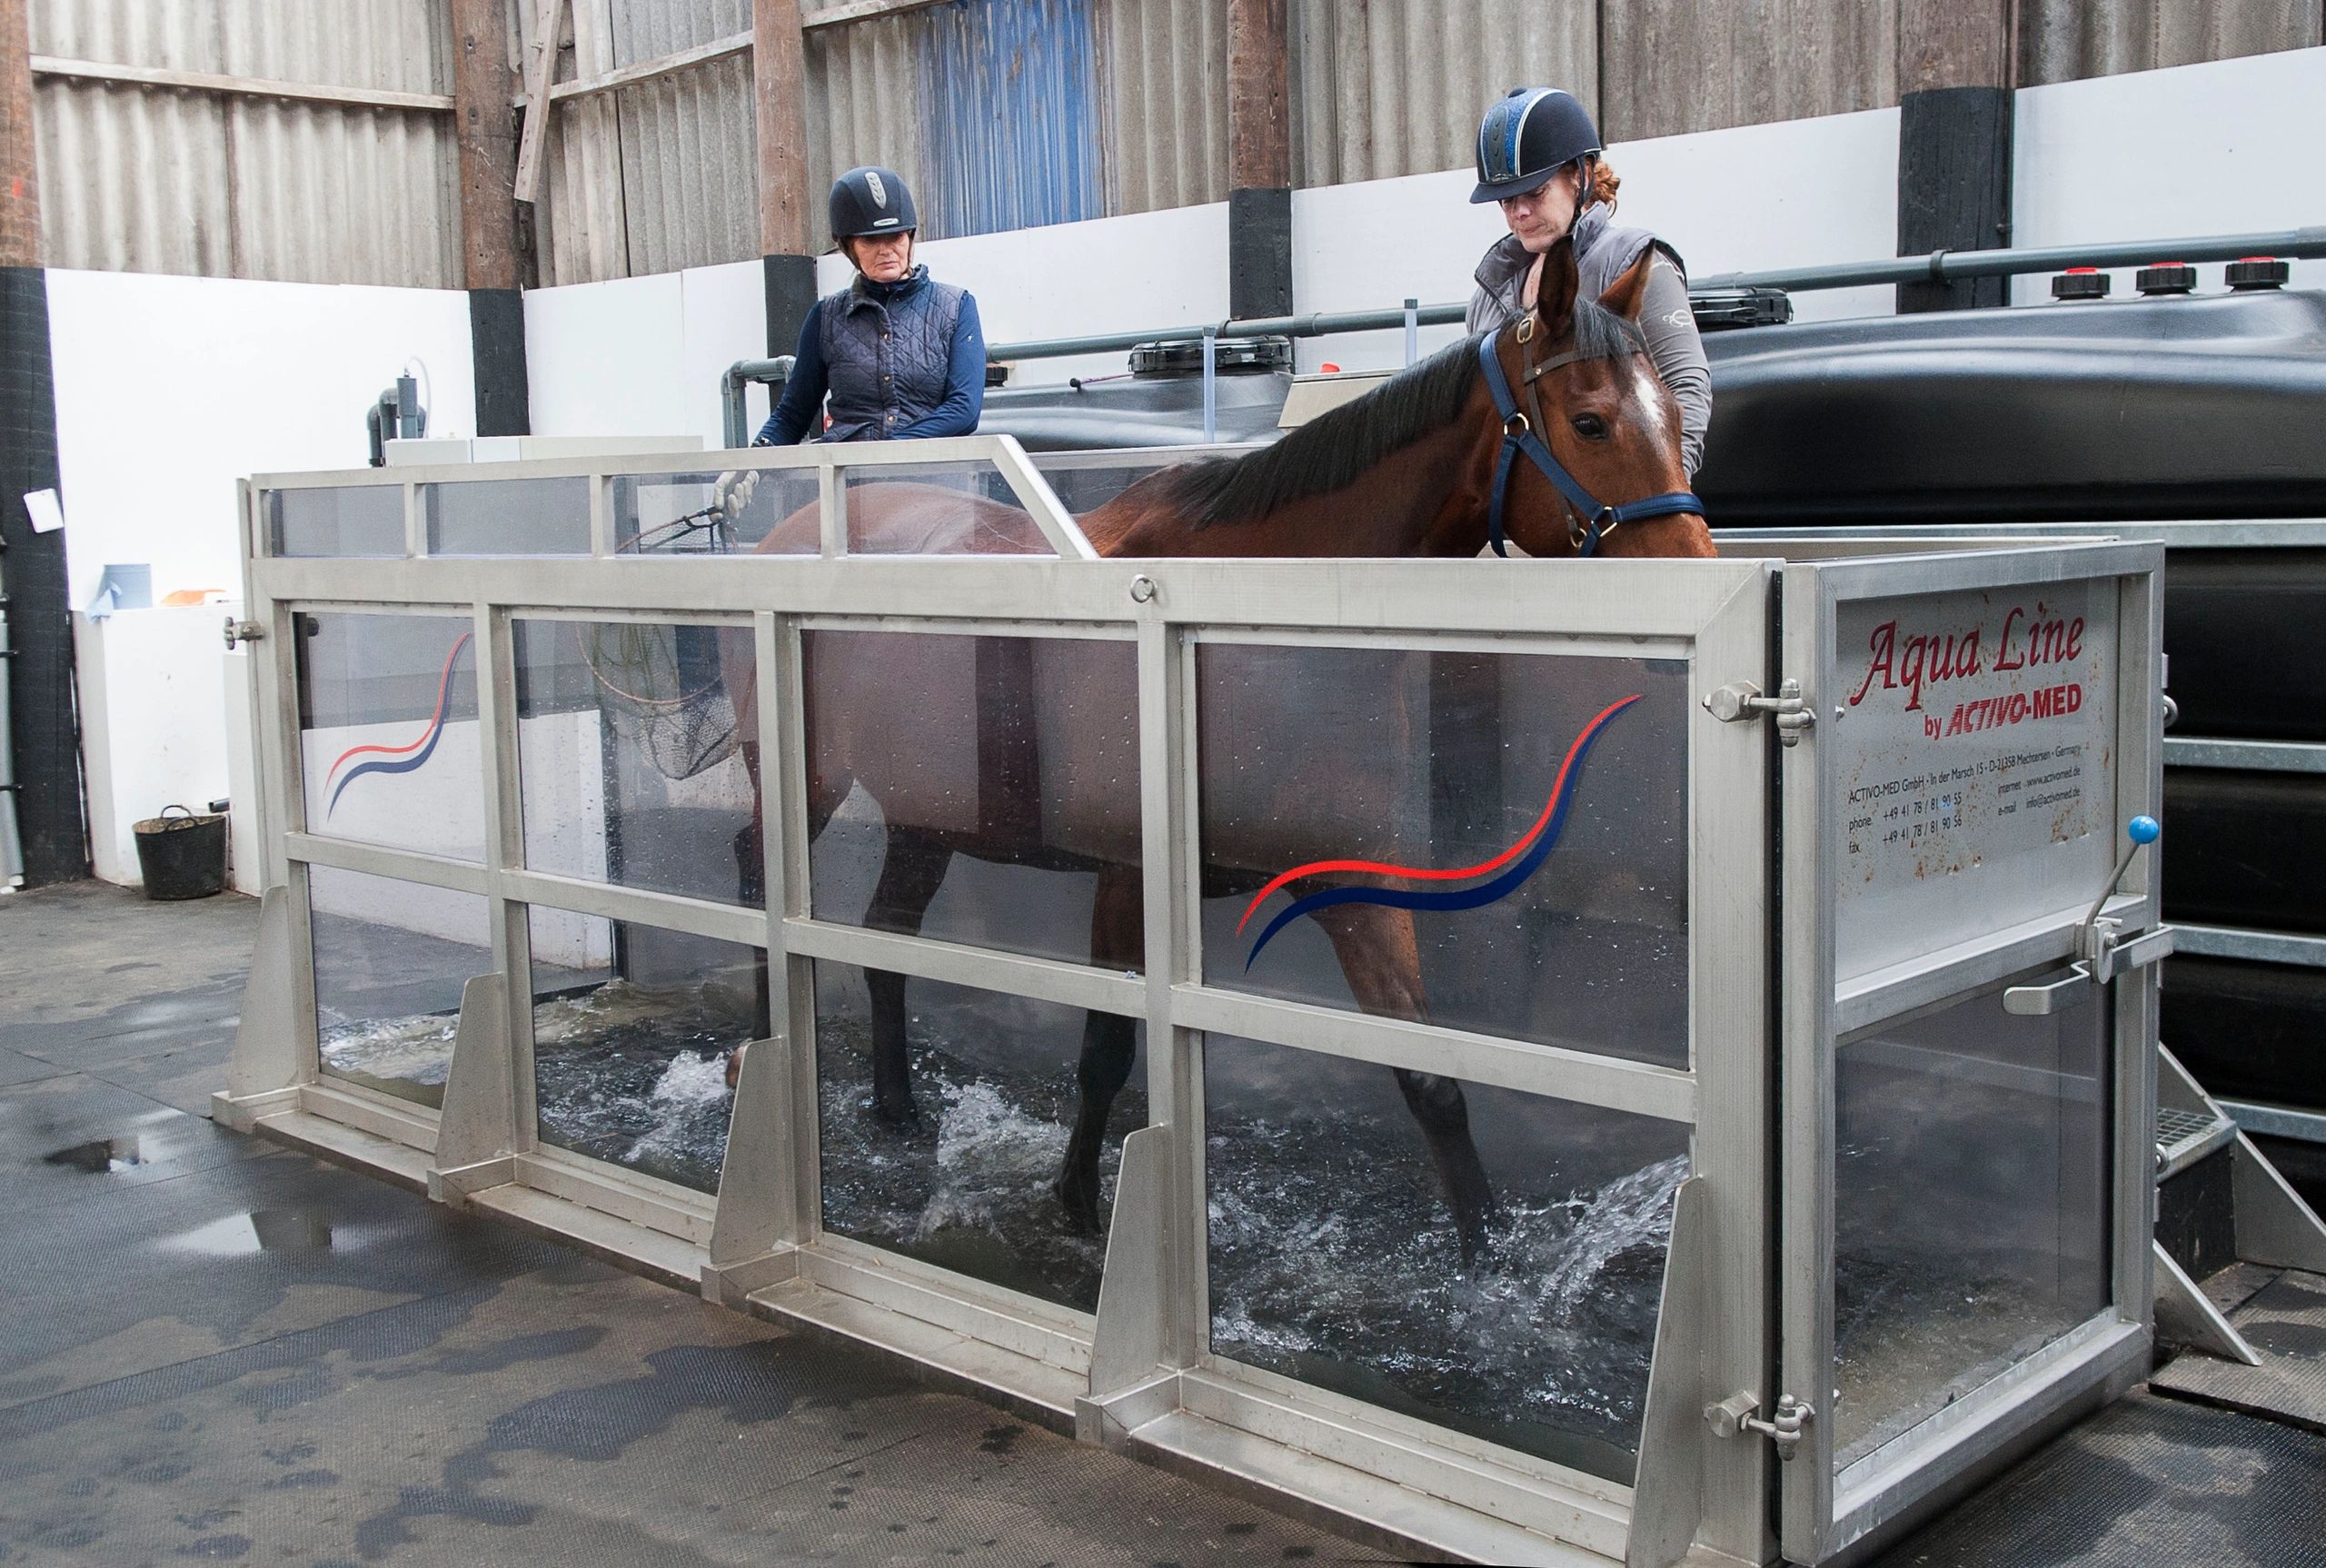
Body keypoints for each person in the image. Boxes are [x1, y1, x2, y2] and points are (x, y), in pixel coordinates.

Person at [1466, 87, 1711, 479]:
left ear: (1579, 175)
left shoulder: (1636, 261)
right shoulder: (1488, 295)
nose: (1519, 212)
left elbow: (1687, 383)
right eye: (1506, 200)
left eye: (1534, 192)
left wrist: (1666, 495)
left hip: (1622, 517)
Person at [718, 167, 986, 516]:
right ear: (848, 247)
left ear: (910, 238)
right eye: (870, 241)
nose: (887, 250)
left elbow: (964, 410)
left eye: (896, 237)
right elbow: (793, 414)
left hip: (934, 489)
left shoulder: (957, 306)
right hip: (849, 491)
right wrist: (751, 463)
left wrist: (883, 454)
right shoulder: (825, 317)